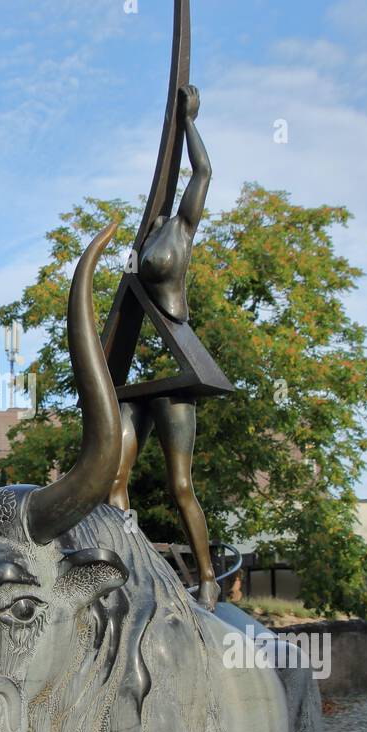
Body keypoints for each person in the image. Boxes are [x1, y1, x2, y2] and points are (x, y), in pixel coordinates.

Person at [108, 84, 220, 612]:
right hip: (138, 381)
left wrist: (189, 121)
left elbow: (202, 174)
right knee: (113, 478)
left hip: (177, 368)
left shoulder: (181, 228)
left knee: (179, 485)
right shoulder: (138, 250)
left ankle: (207, 577)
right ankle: (127, 573)